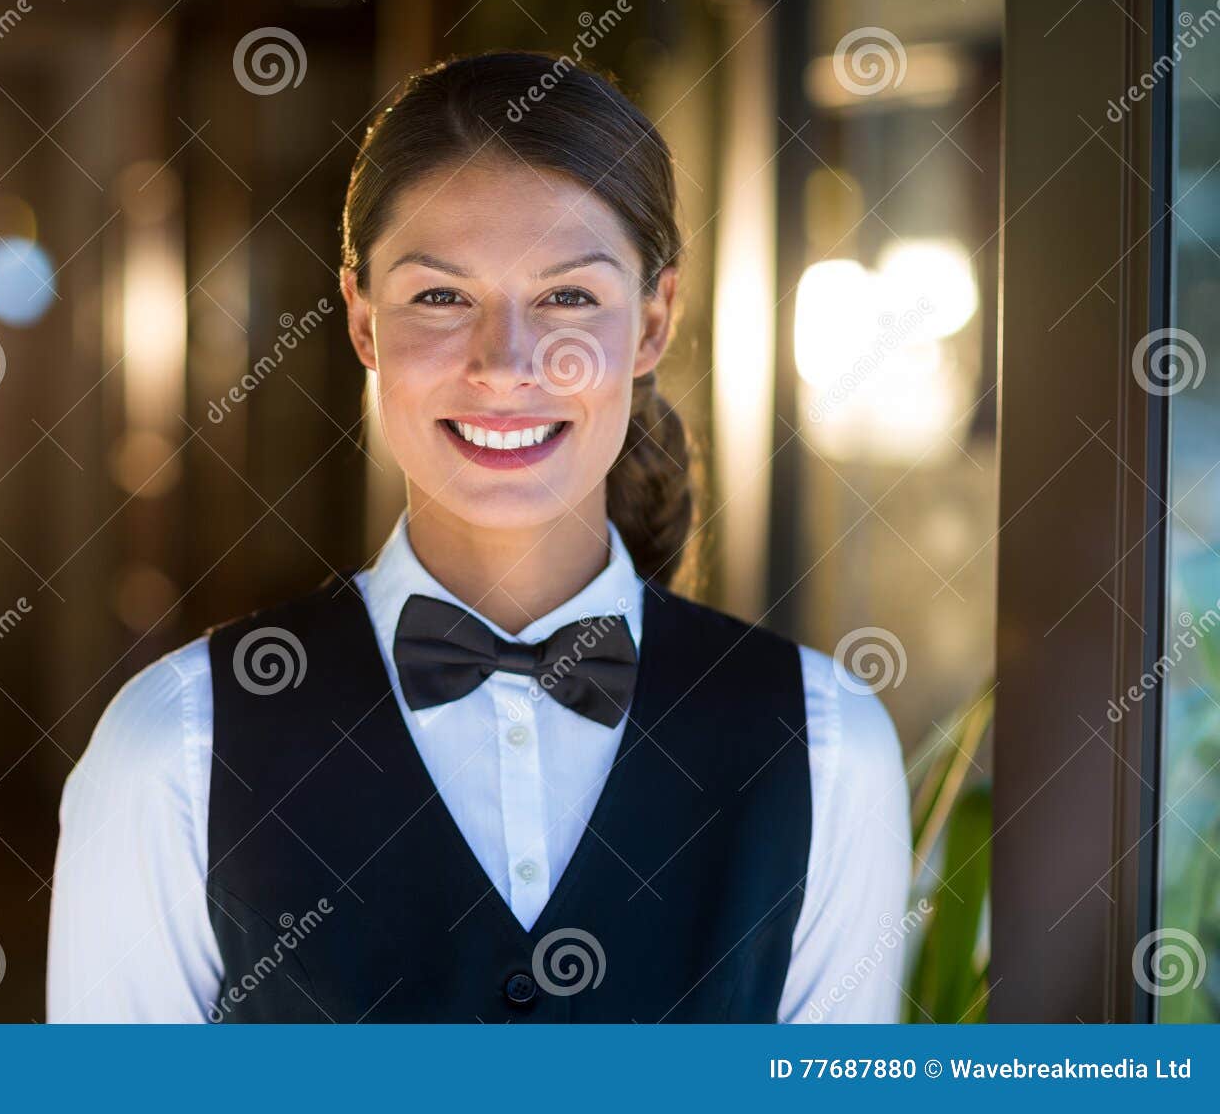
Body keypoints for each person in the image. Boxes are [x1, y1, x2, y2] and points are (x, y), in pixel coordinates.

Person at [47, 51, 911, 1023]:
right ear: (364, 323)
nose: (505, 364)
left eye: (568, 296)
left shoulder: (828, 745)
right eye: (441, 297)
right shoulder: (171, 744)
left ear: (654, 320)